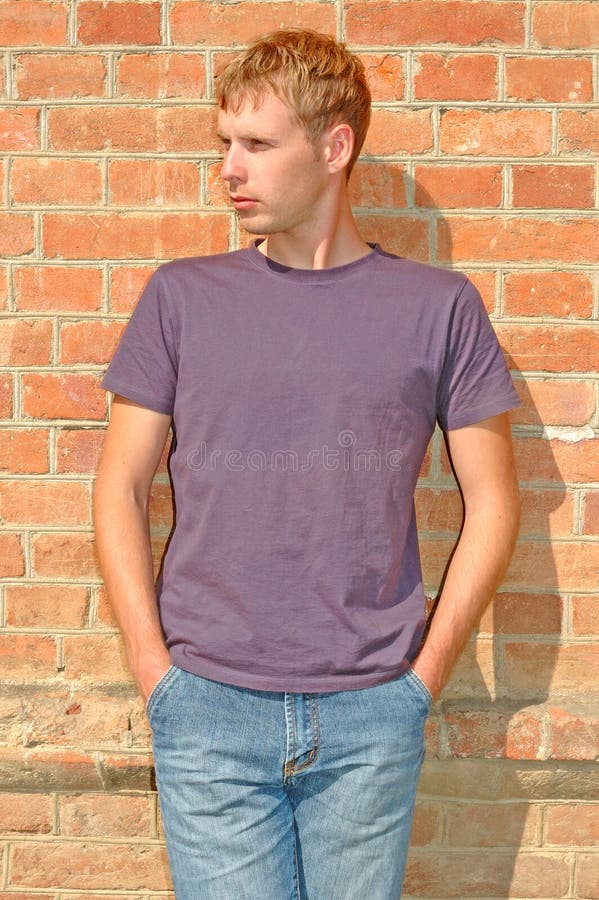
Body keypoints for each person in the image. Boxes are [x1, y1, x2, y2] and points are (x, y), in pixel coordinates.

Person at [93, 29, 521, 900]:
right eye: (225, 144)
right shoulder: (181, 297)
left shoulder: (438, 308)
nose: (229, 169)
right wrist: (154, 670)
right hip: (208, 705)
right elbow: (120, 486)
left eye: (256, 144)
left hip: (372, 711)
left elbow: (494, 504)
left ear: (334, 147)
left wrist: (419, 684)